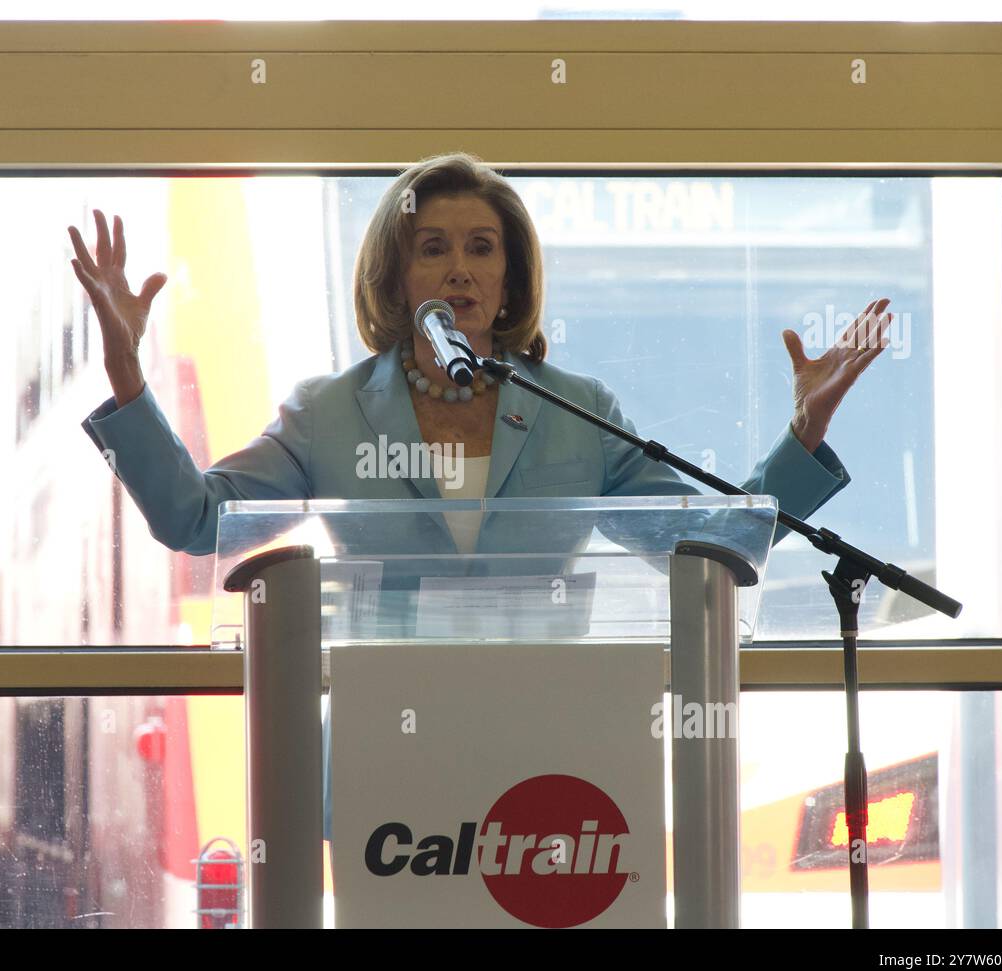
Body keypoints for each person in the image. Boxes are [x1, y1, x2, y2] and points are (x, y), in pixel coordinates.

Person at [69, 151, 891, 839]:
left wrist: (804, 434)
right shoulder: (328, 412)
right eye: (431, 246)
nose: (459, 267)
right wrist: (127, 375)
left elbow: (716, 539)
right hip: (382, 761)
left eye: (482, 247)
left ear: (510, 276)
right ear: (397, 275)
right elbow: (197, 519)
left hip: (554, 755)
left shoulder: (580, 412)